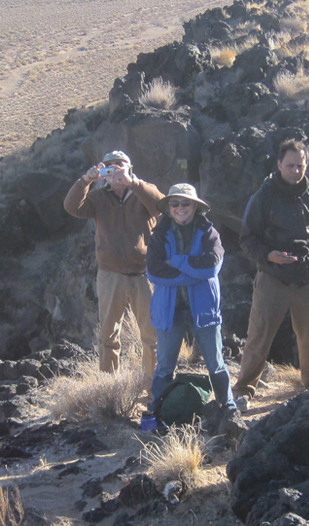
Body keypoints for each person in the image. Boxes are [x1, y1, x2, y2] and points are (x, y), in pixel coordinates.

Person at [234, 139, 309, 402]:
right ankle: (243, 390)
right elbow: (247, 238)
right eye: (290, 165)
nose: (295, 170)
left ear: (307, 164)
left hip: (306, 280)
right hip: (272, 278)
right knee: (259, 336)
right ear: (279, 164)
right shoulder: (264, 196)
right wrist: (269, 255)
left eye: (300, 165)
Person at [63, 150, 164, 387]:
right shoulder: (98, 198)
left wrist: (132, 183)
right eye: (109, 166)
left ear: (130, 167)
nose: (115, 169)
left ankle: (153, 386)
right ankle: (110, 387)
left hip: (144, 273)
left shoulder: (142, 190)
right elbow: (71, 207)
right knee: (108, 334)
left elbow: (161, 205)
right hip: (110, 274)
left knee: (152, 335)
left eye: (120, 164)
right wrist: (86, 180)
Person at [146, 184, 236, 410]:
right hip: (169, 310)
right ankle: (159, 410)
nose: (180, 208)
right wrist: (193, 273)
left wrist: (176, 262)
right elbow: (154, 272)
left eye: (185, 202)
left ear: (195, 206)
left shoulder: (209, 232)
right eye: (174, 203)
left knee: (215, 363)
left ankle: (228, 407)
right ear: (168, 208)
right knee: (164, 366)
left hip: (204, 309)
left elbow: (211, 268)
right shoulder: (158, 233)